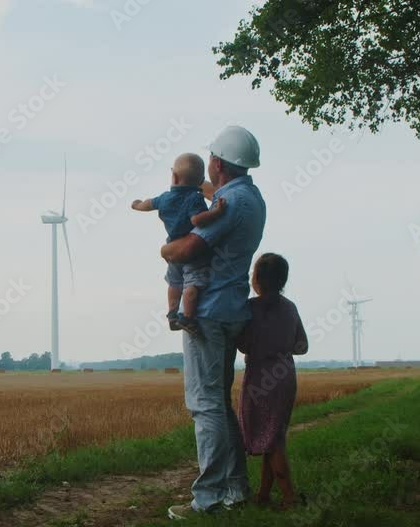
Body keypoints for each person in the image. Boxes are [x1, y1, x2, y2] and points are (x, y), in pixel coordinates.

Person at [160, 126, 266, 520]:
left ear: (219, 163)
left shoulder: (231, 202)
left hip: (208, 312)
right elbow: (207, 191)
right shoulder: (250, 197)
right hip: (232, 308)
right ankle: (236, 489)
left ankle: (206, 500)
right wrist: (187, 187)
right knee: (219, 405)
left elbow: (188, 248)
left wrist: (163, 249)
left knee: (205, 406)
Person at [237, 253, 308, 510]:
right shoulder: (290, 308)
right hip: (285, 377)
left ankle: (290, 497)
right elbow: (303, 346)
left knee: (273, 440)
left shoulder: (250, 309)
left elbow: (243, 343)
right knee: (274, 434)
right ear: (283, 280)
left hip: (260, 378)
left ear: (255, 278)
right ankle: (263, 495)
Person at [131, 153, 226, 337]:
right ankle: (188, 318)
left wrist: (136, 205)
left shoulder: (164, 198)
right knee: (192, 282)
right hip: (191, 250)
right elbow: (197, 219)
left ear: (174, 177)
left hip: (172, 247)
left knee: (174, 282)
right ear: (201, 181)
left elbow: (148, 204)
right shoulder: (194, 198)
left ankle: (172, 314)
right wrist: (216, 212)